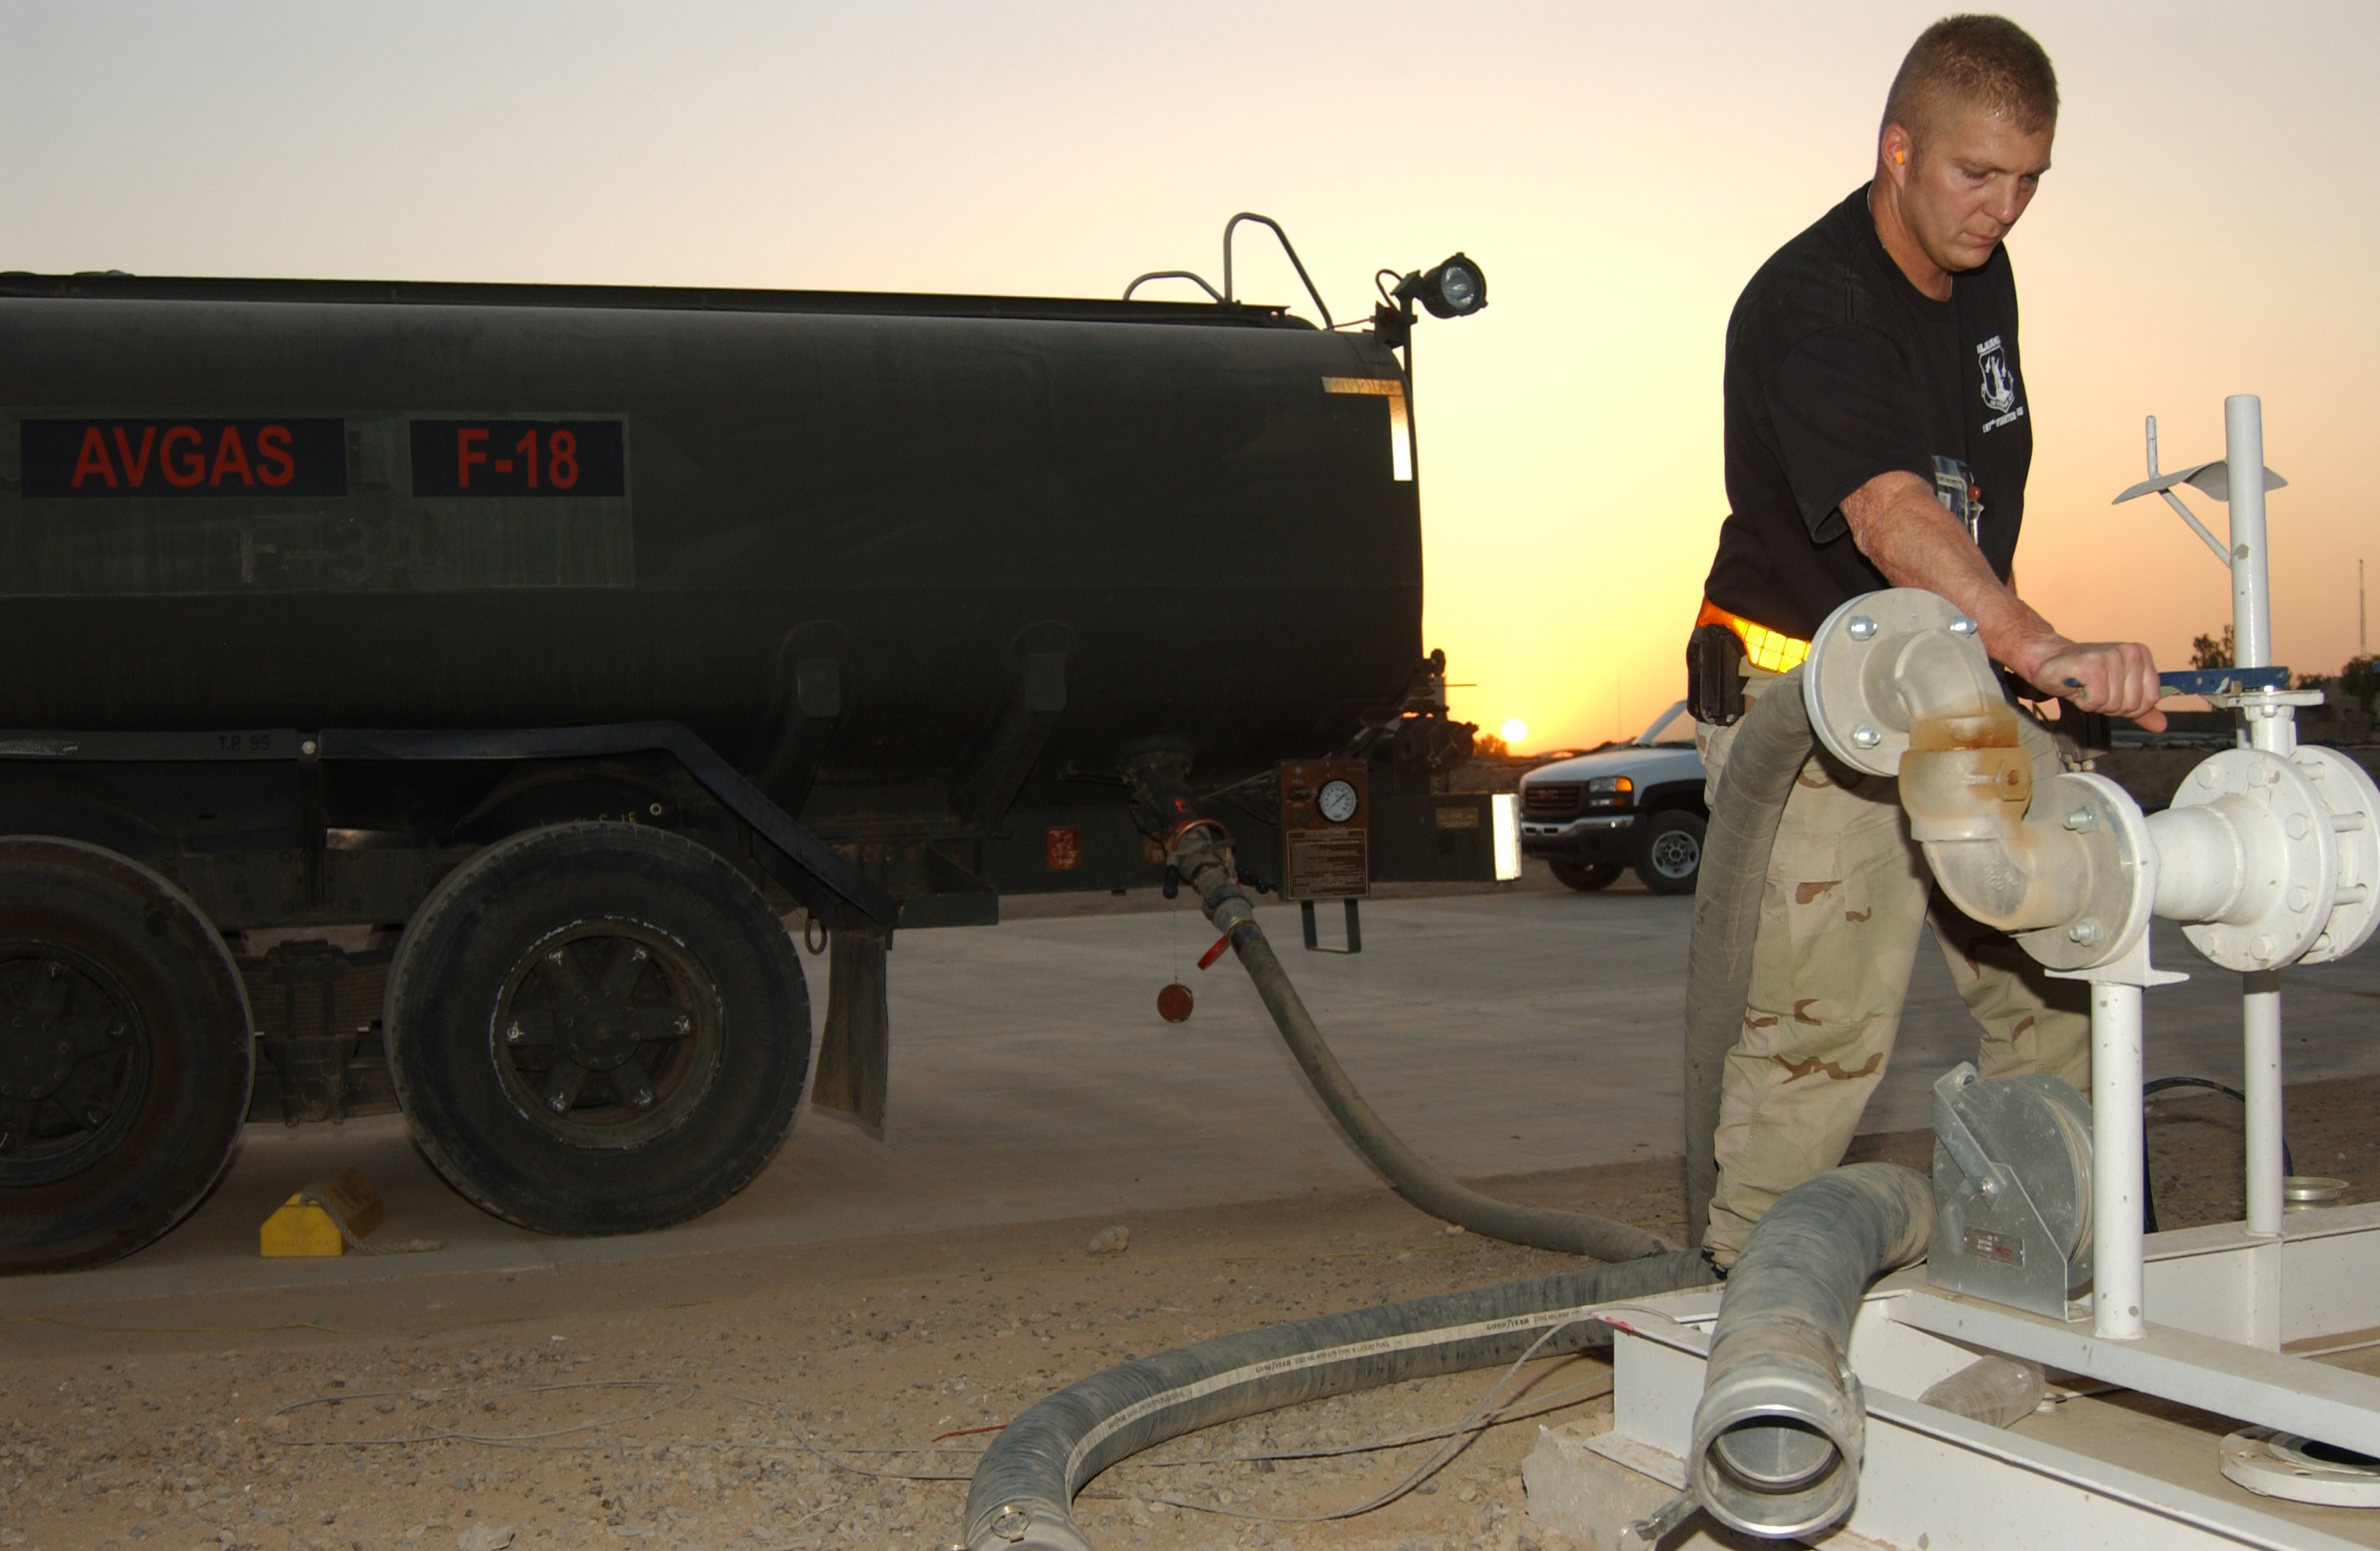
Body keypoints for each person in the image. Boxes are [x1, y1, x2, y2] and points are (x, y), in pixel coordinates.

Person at [1688, 13, 2166, 1267]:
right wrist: (2039, 643)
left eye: (2029, 182)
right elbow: (1894, 514)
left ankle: (2054, 1285)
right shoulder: (1812, 299)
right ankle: (1758, 1344)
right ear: (1898, 148)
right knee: (1822, 1036)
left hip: (1944, 687)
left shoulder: (1979, 271)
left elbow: (1964, 502)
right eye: (1976, 174)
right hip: (1811, 712)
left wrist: (2016, 666)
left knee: (2064, 964)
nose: (2004, 209)